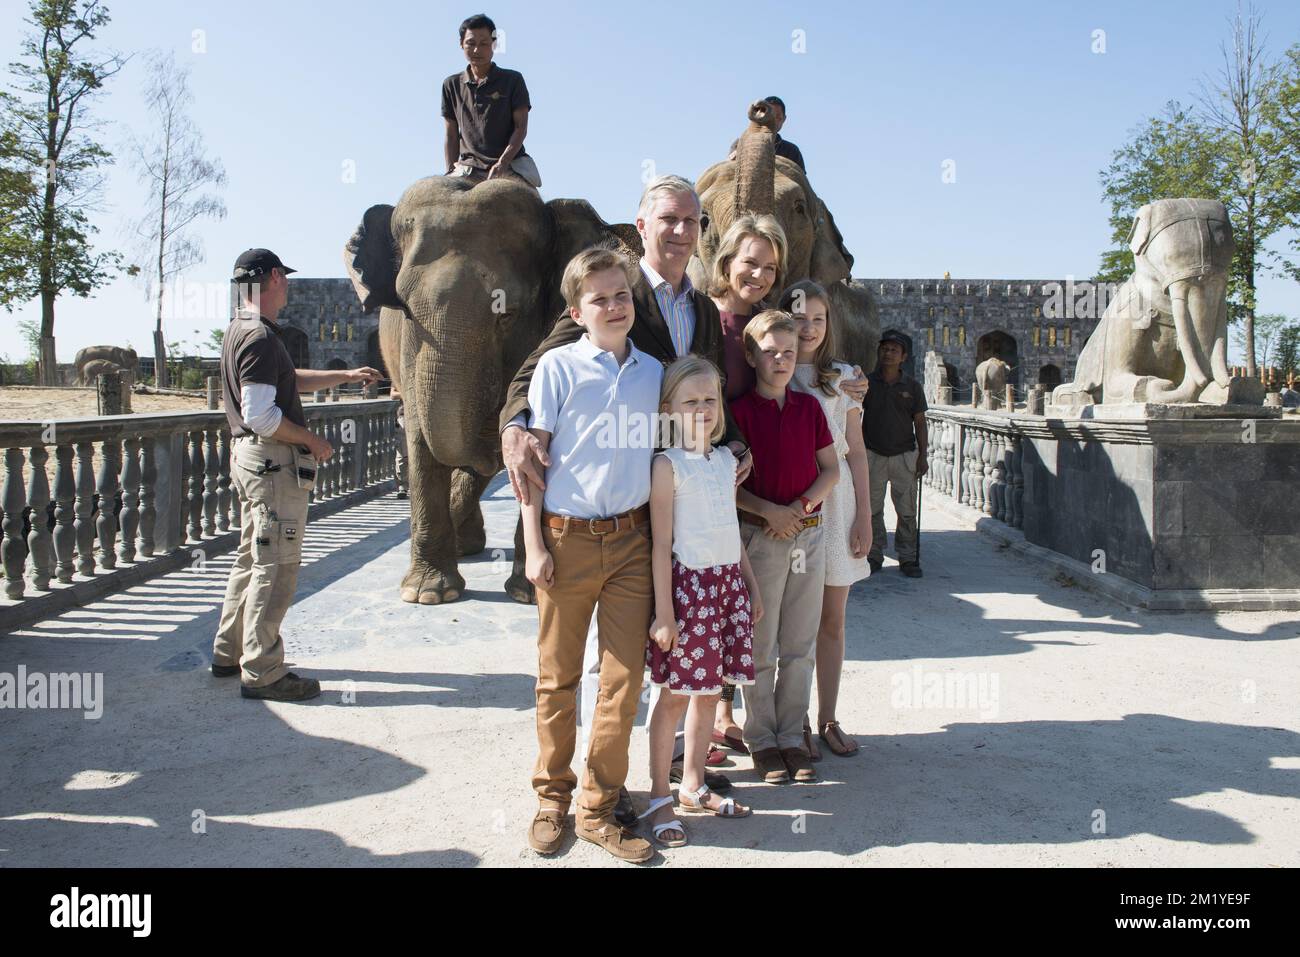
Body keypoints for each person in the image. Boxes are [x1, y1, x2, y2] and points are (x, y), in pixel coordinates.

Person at [501, 175, 753, 823]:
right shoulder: (609, 287)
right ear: (641, 225)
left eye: (692, 221)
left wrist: (733, 442)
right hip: (585, 512)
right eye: (668, 218)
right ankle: (567, 794)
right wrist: (514, 424)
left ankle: (643, 778)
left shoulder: (698, 308)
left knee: (639, 660)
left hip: (659, 503)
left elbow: (701, 388)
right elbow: (541, 367)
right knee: (579, 669)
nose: (680, 231)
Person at [520, 247, 661, 863]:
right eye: (600, 298)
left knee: (623, 682)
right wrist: (532, 544)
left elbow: (676, 451)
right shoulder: (556, 369)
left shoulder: (657, 373)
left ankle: (599, 806)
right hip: (566, 538)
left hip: (633, 542)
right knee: (558, 679)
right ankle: (552, 796)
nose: (614, 306)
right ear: (577, 311)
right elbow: (533, 463)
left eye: (622, 295)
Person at [212, 249, 380, 701]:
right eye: (283, 278)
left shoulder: (241, 331)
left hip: (249, 458)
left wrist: (343, 376)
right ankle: (264, 670)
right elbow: (262, 414)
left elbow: (287, 381)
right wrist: (311, 441)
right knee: (277, 565)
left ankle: (229, 652)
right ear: (272, 278)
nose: (286, 286)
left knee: (250, 557)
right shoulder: (261, 339)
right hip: (272, 462)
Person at [641, 357, 760, 847]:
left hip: (726, 586)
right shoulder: (667, 466)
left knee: (710, 692)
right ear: (668, 408)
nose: (702, 409)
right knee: (672, 696)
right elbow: (660, 544)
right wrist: (665, 614)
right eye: (690, 401)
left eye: (710, 400)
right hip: (688, 594)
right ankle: (656, 793)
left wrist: (749, 584)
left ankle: (692, 784)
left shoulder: (727, 461)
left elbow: (728, 527)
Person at [730, 311, 838, 784]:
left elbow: (831, 469)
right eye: (770, 352)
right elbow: (725, 484)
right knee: (760, 640)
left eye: (788, 353)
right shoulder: (736, 413)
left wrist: (799, 507)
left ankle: (793, 736)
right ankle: (762, 738)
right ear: (752, 355)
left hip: (807, 533)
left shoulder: (809, 408)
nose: (780, 360)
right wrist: (769, 512)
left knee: (799, 641)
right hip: (758, 534)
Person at [783, 280, 871, 759]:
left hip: (838, 506)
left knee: (832, 620)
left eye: (819, 319)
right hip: (793, 502)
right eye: (799, 317)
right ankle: (792, 719)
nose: (809, 328)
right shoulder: (772, 371)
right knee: (791, 619)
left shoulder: (842, 378)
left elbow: (856, 453)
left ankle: (829, 716)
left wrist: (867, 518)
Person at [441, 13, 541, 187]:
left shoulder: (513, 80)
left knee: (533, 209)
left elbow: (521, 127)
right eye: (470, 43)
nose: (476, 50)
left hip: (510, 164)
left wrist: (502, 163)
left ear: (494, 44)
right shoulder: (451, 85)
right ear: (461, 44)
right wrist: (449, 170)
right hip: (468, 168)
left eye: (484, 44)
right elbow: (451, 134)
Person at [863, 331, 929, 578]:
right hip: (873, 454)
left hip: (904, 455)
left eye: (894, 350)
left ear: (903, 357)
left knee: (907, 510)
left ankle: (908, 557)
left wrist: (923, 456)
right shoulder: (867, 383)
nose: (888, 353)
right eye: (885, 349)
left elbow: (920, 422)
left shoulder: (912, 386)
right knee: (871, 509)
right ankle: (873, 554)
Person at [729, 95, 806, 172]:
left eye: (778, 117)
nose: (773, 121)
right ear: (759, 116)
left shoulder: (791, 150)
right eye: (769, 116)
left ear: (784, 119)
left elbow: (801, 180)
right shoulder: (740, 144)